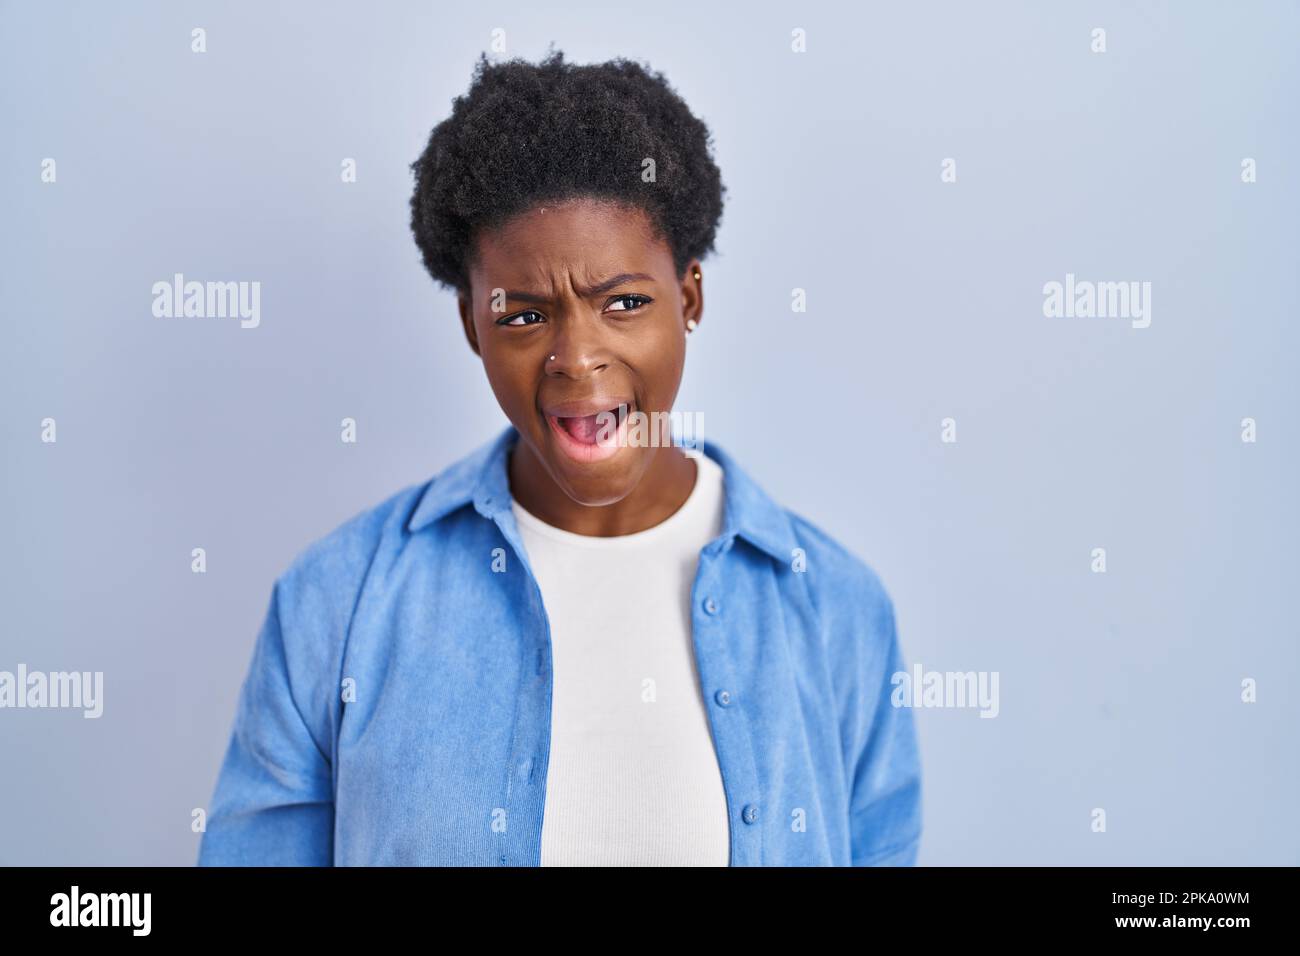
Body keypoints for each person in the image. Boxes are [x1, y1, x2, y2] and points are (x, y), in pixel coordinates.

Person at [198, 49, 921, 867]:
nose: (577, 358)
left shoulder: (836, 611)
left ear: (688, 298)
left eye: (624, 303)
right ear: (472, 324)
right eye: (524, 317)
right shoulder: (334, 604)